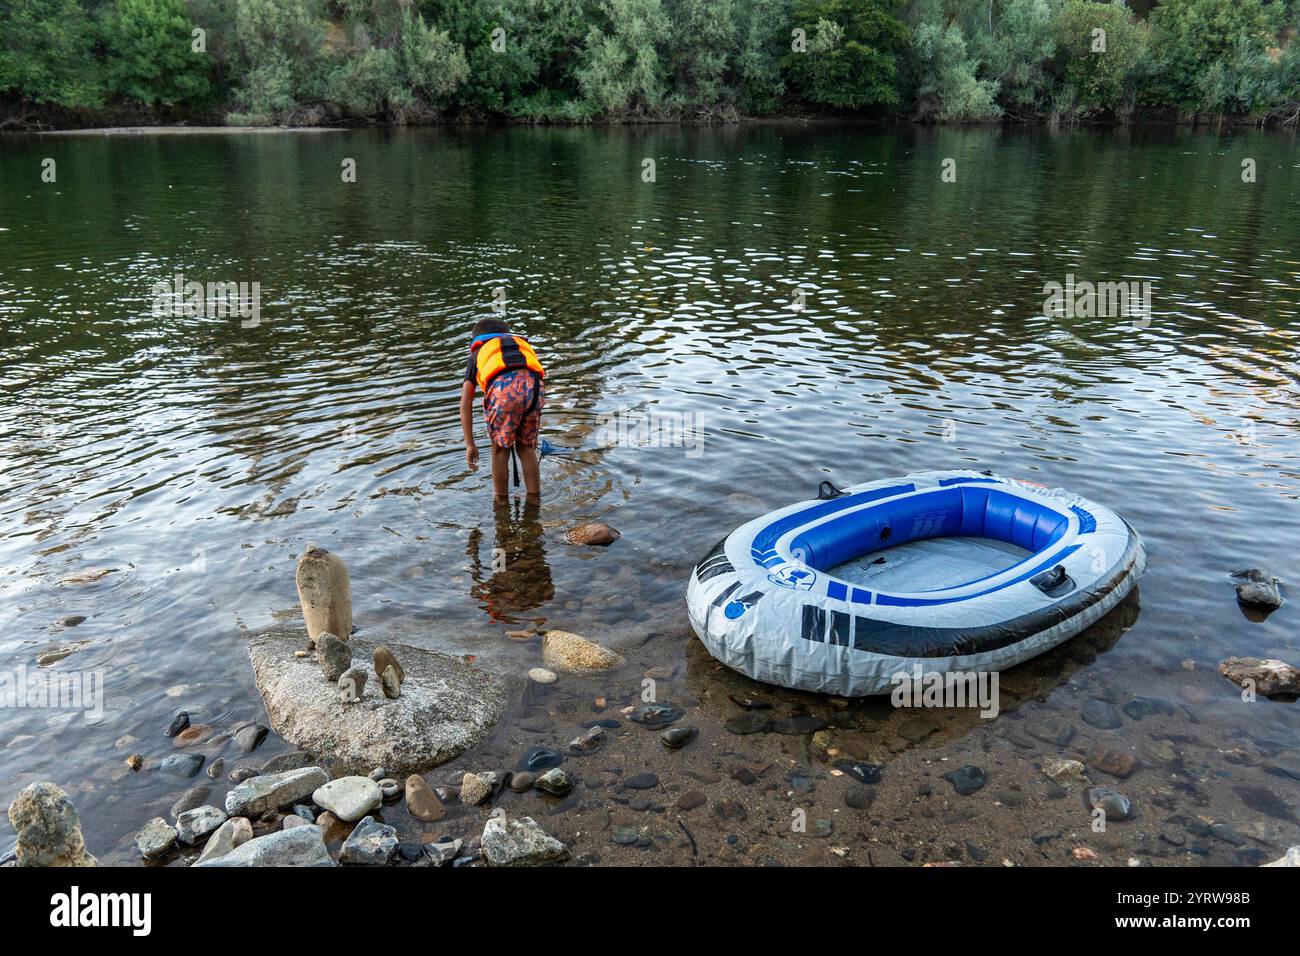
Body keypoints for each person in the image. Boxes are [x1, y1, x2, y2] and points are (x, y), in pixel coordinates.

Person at [460, 318, 545, 500]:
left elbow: (466, 402)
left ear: (477, 339)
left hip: (503, 390)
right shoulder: (520, 345)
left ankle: (500, 502)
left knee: (500, 451)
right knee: (526, 448)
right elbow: (530, 381)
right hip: (536, 389)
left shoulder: (477, 353)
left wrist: (470, 444)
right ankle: (534, 500)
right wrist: (534, 435)